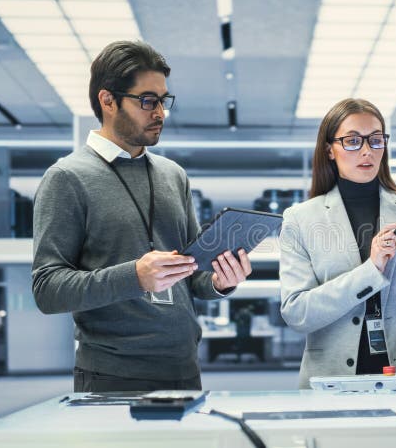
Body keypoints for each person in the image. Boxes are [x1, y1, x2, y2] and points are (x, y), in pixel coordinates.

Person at [32, 41, 252, 392]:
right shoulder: (67, 178)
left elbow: (192, 273)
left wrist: (219, 281)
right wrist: (134, 276)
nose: (160, 113)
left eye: (163, 101)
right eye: (148, 101)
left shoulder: (173, 175)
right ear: (108, 101)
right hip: (112, 375)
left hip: (184, 368)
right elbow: (47, 289)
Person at [279, 98, 396, 389]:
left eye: (375, 140)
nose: (366, 150)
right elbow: (297, 313)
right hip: (330, 381)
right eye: (352, 141)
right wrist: (370, 270)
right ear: (329, 150)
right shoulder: (300, 219)